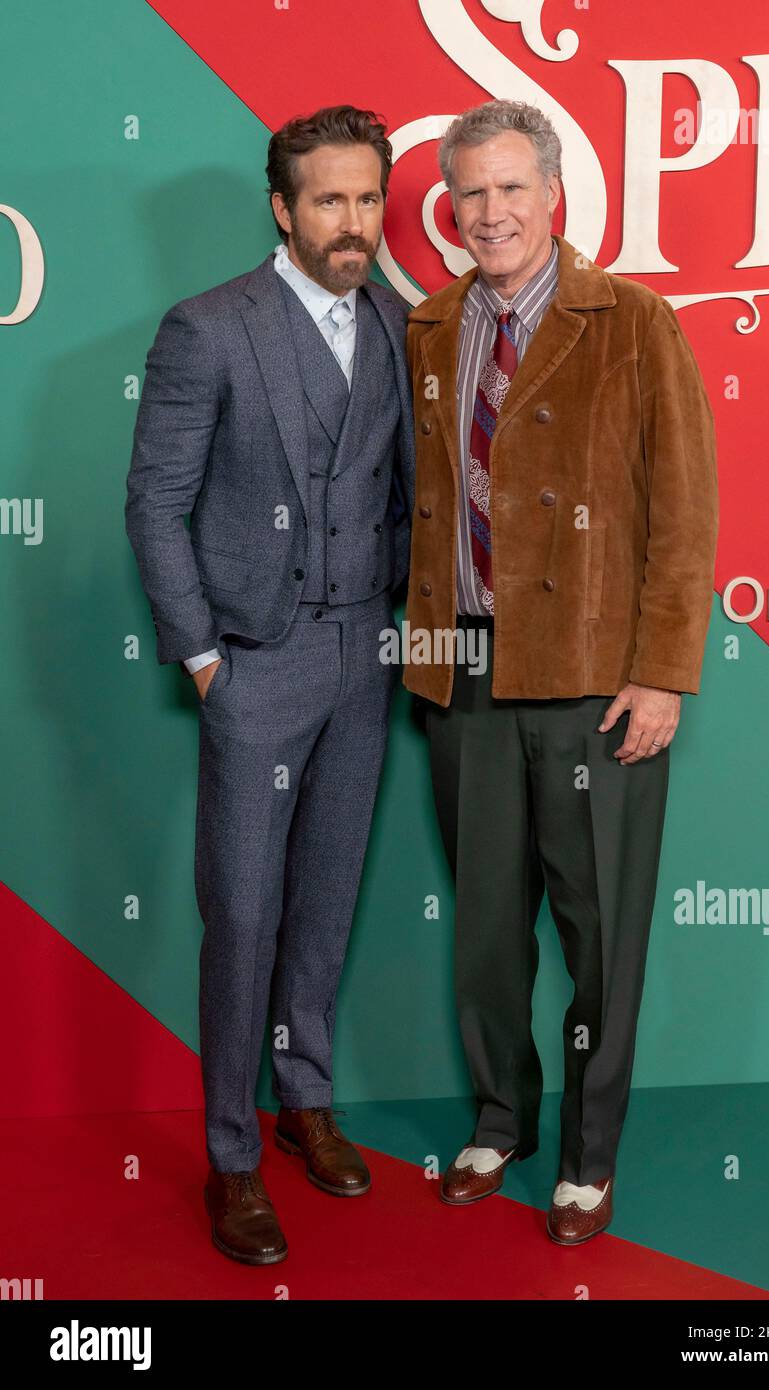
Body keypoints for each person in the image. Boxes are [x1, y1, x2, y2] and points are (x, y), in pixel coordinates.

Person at [402, 99, 718, 1244]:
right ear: (451, 206)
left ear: (553, 197)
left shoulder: (633, 322)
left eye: (509, 189)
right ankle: (500, 1119)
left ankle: (588, 1155)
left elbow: (682, 518)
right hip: (465, 676)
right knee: (485, 929)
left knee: (597, 936)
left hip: (594, 682)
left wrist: (661, 675)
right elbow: (423, 514)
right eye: (470, 193)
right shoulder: (431, 328)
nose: (490, 212)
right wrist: (422, 665)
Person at [125, 105, 415, 1265]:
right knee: (241, 915)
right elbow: (154, 503)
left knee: (326, 898)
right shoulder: (208, 328)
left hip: (363, 658)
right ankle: (233, 1156)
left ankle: (305, 1098)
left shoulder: (398, 320)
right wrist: (203, 656)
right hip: (252, 664)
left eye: (366, 199)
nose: (352, 223)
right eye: (328, 201)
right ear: (282, 209)